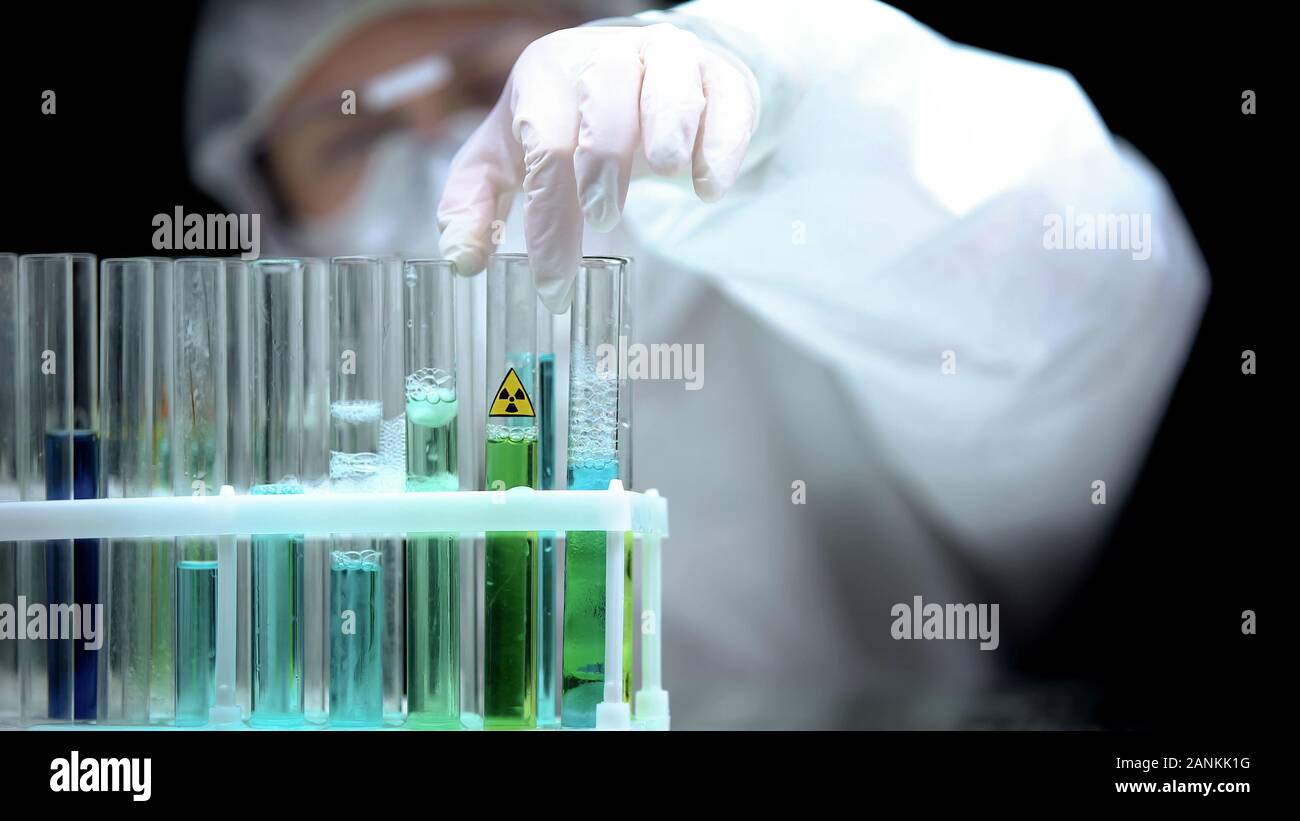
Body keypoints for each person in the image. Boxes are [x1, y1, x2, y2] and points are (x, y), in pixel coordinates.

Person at [188, 0, 1208, 728]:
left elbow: (1071, 284)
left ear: (600, 53)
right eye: (349, 134)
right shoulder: (231, 458)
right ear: (266, 197)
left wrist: (783, 116)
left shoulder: (814, 285)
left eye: (492, 83)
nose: (448, 153)